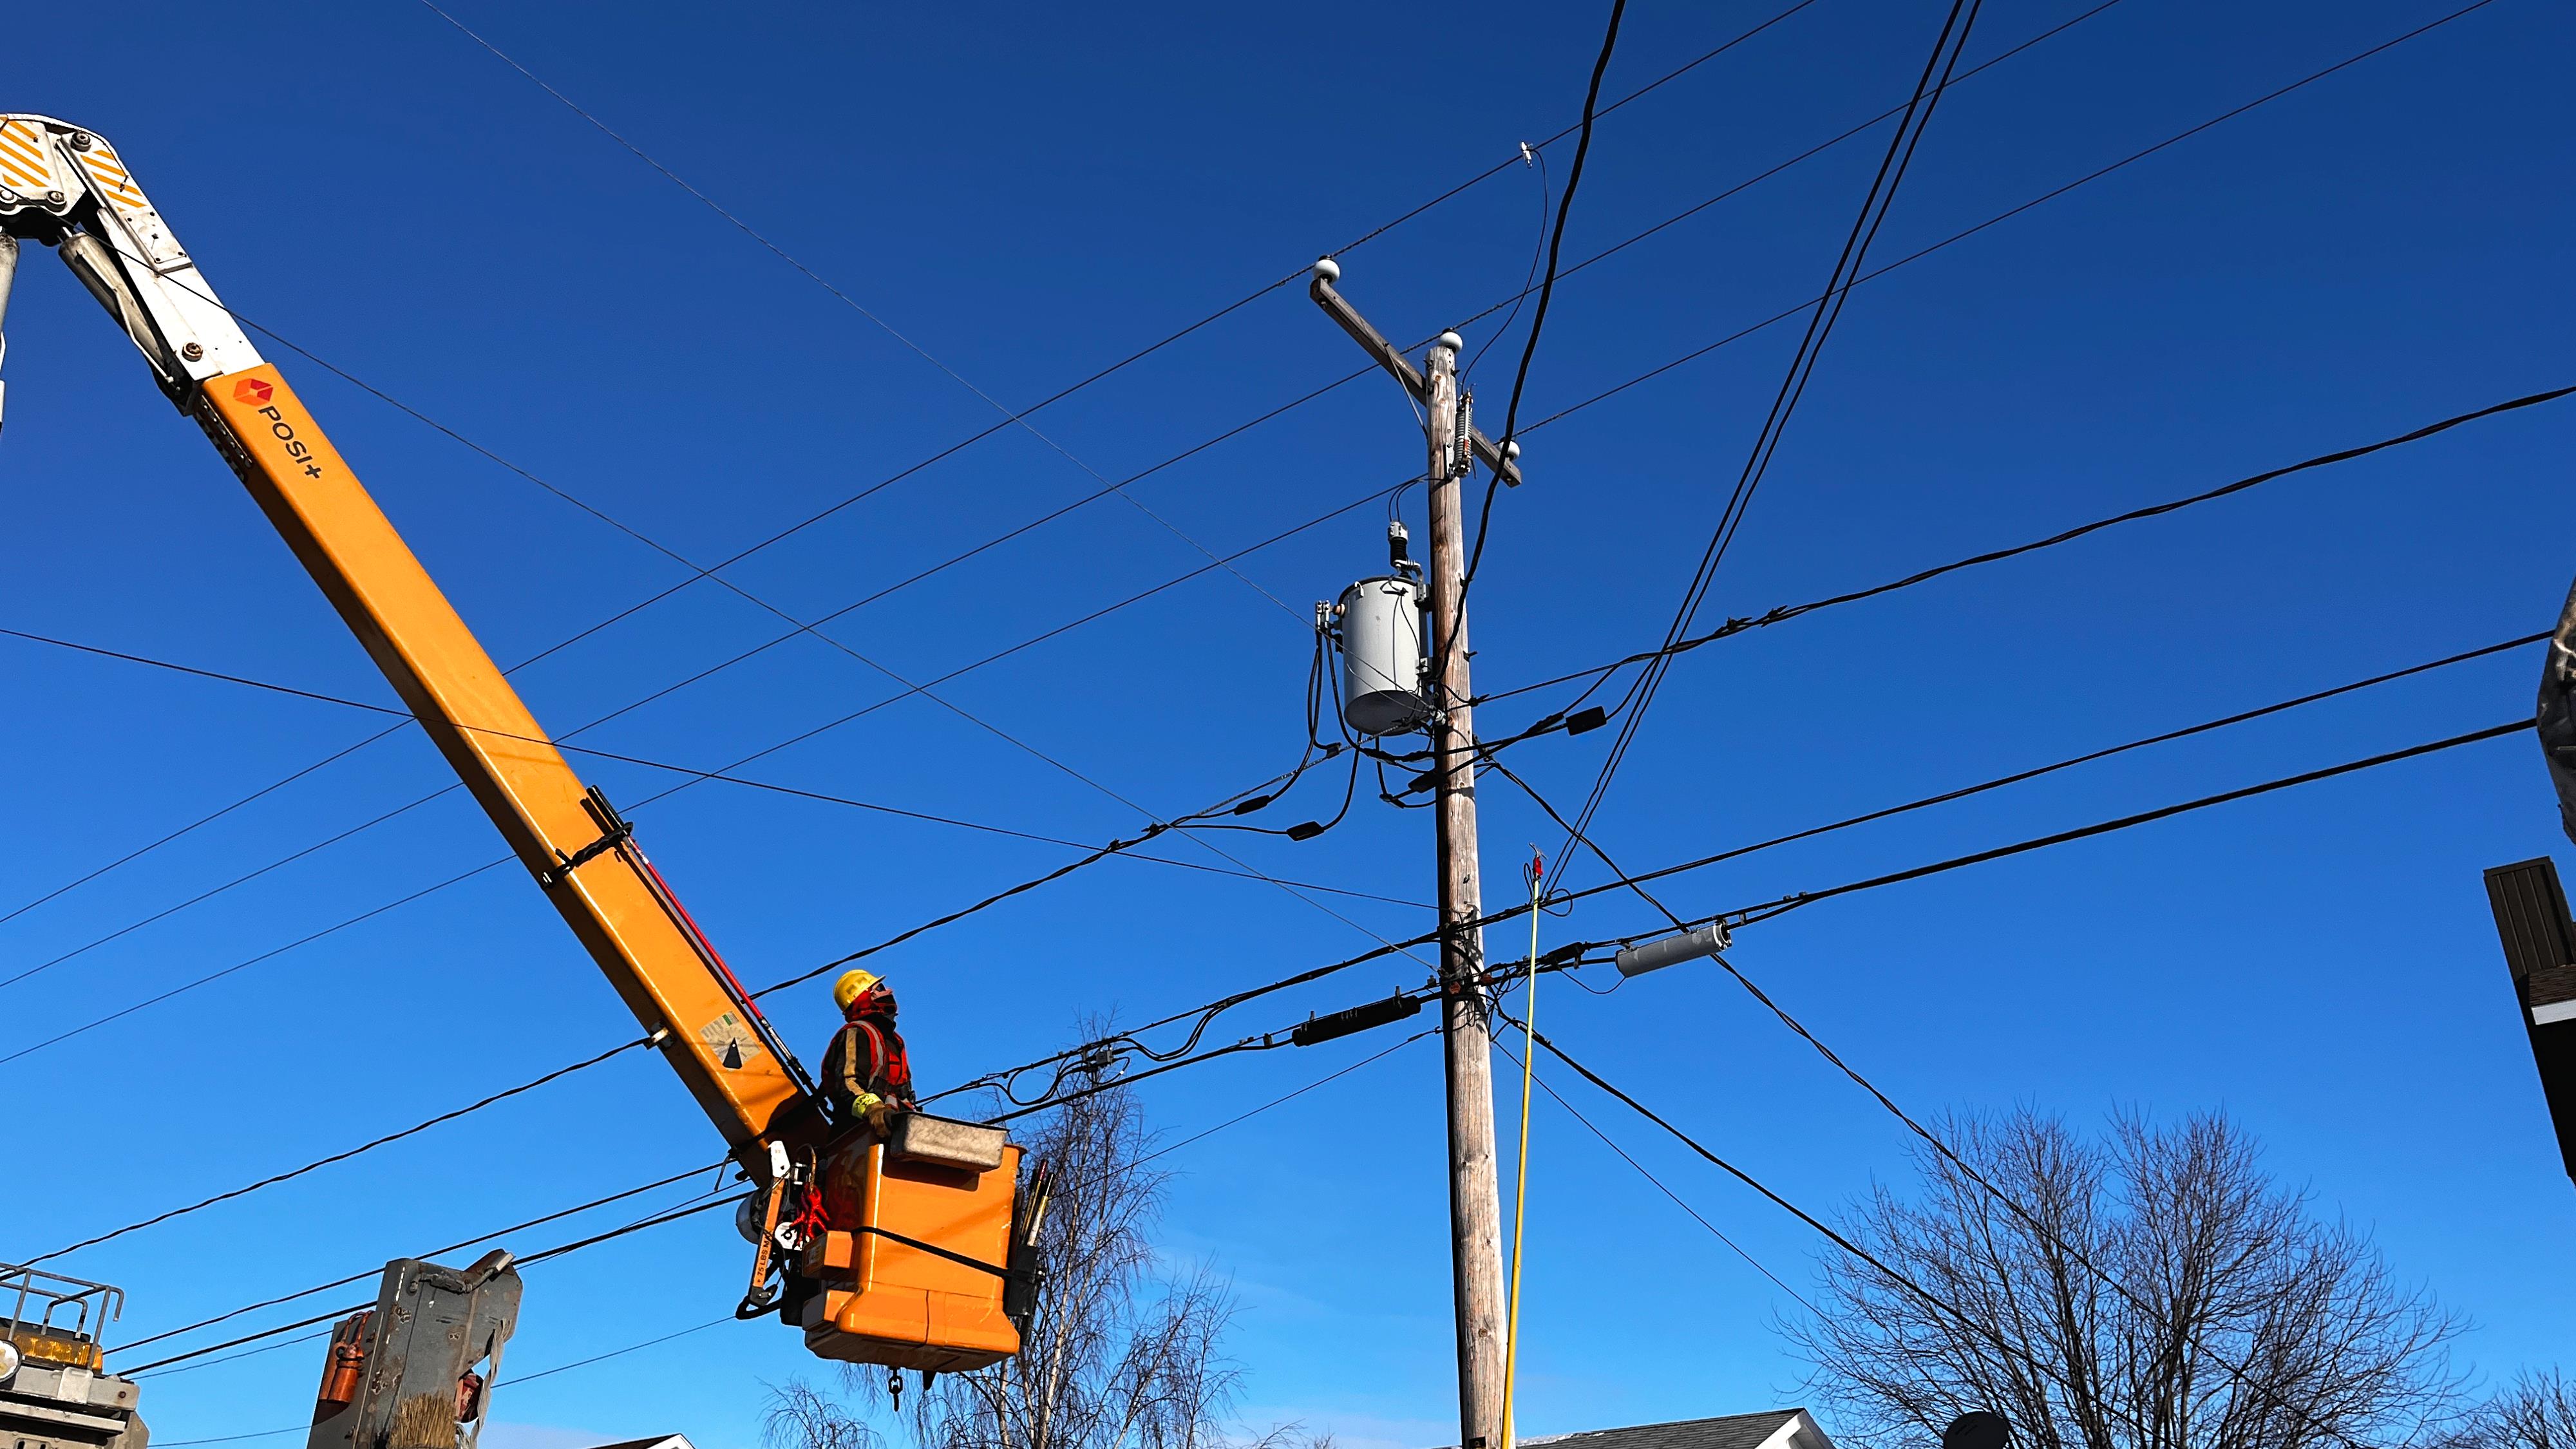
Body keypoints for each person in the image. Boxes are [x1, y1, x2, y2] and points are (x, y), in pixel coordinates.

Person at [826, 969, 914, 1132]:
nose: (890, 991)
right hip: (857, 1131)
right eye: (880, 988)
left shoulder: (895, 1040)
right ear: (866, 997)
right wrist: (875, 1111)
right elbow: (848, 1085)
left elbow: (903, 1093)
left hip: (894, 1128)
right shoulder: (856, 1033)